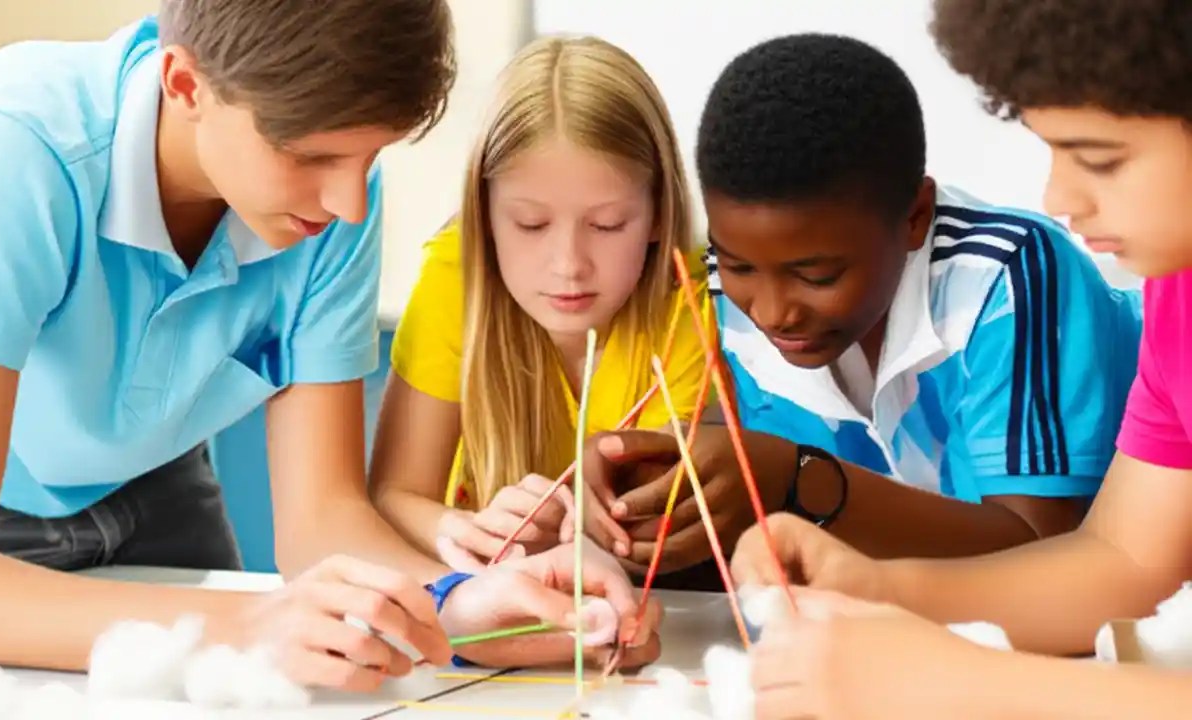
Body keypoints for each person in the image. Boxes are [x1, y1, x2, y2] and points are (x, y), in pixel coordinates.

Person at [0, 2, 657, 691]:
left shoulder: (331, 206)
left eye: (371, 158)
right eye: (312, 157)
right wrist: (249, 625)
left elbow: (320, 522)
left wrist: (455, 603)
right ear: (185, 84)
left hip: (151, 481)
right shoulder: (5, 159)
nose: (350, 204)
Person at [734, 2, 1192, 717]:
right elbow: (1127, 565)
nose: (1058, 198)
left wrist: (959, 683)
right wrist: (876, 592)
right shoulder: (1178, 300)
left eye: (1101, 159)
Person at [579, 32, 1142, 579]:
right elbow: (764, 539)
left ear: (915, 217)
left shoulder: (1006, 278)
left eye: (817, 275)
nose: (773, 312)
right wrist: (640, 510)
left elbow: (1040, 555)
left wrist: (796, 482)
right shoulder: (722, 298)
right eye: (739, 265)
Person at [370, 36, 711, 580]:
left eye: (606, 225)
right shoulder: (454, 281)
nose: (568, 265)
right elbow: (394, 493)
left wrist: (579, 534)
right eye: (530, 224)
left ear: (657, 214)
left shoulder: (690, 299)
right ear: (483, 215)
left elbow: (654, 521)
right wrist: (458, 530)